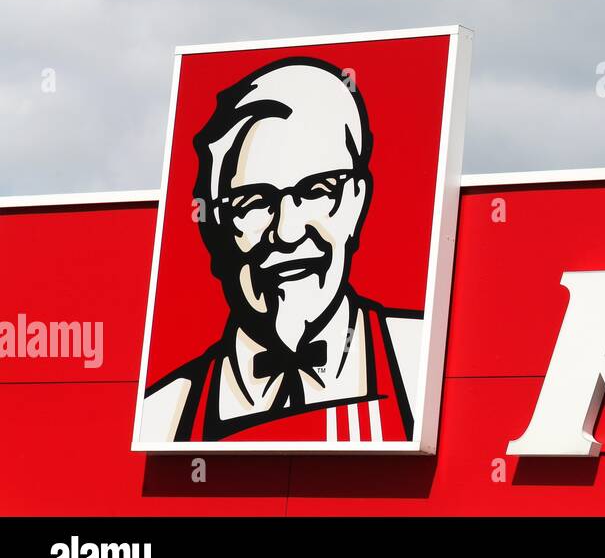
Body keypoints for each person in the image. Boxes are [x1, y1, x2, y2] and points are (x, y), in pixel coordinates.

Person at [140, 58, 422, 443]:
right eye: (254, 202)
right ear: (216, 225)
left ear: (357, 202)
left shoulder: (419, 364)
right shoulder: (162, 417)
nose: (287, 231)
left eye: (318, 191)